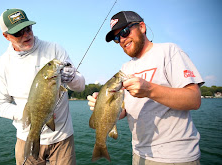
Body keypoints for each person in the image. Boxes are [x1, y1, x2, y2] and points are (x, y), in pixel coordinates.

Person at [87, 11, 203, 165]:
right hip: (139, 155)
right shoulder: (125, 68)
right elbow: (125, 111)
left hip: (176, 157)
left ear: (141, 27)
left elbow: (194, 99)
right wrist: (103, 106)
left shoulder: (169, 51)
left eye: (125, 31)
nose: (122, 39)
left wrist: (150, 90)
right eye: (117, 38)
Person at [0, 8, 85, 165]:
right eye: (18, 33)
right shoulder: (2, 64)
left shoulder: (54, 49)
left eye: (28, 28)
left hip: (62, 137)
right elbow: (0, 105)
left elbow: (80, 86)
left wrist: (72, 78)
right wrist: (28, 113)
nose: (26, 35)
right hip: (26, 138)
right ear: (6, 36)